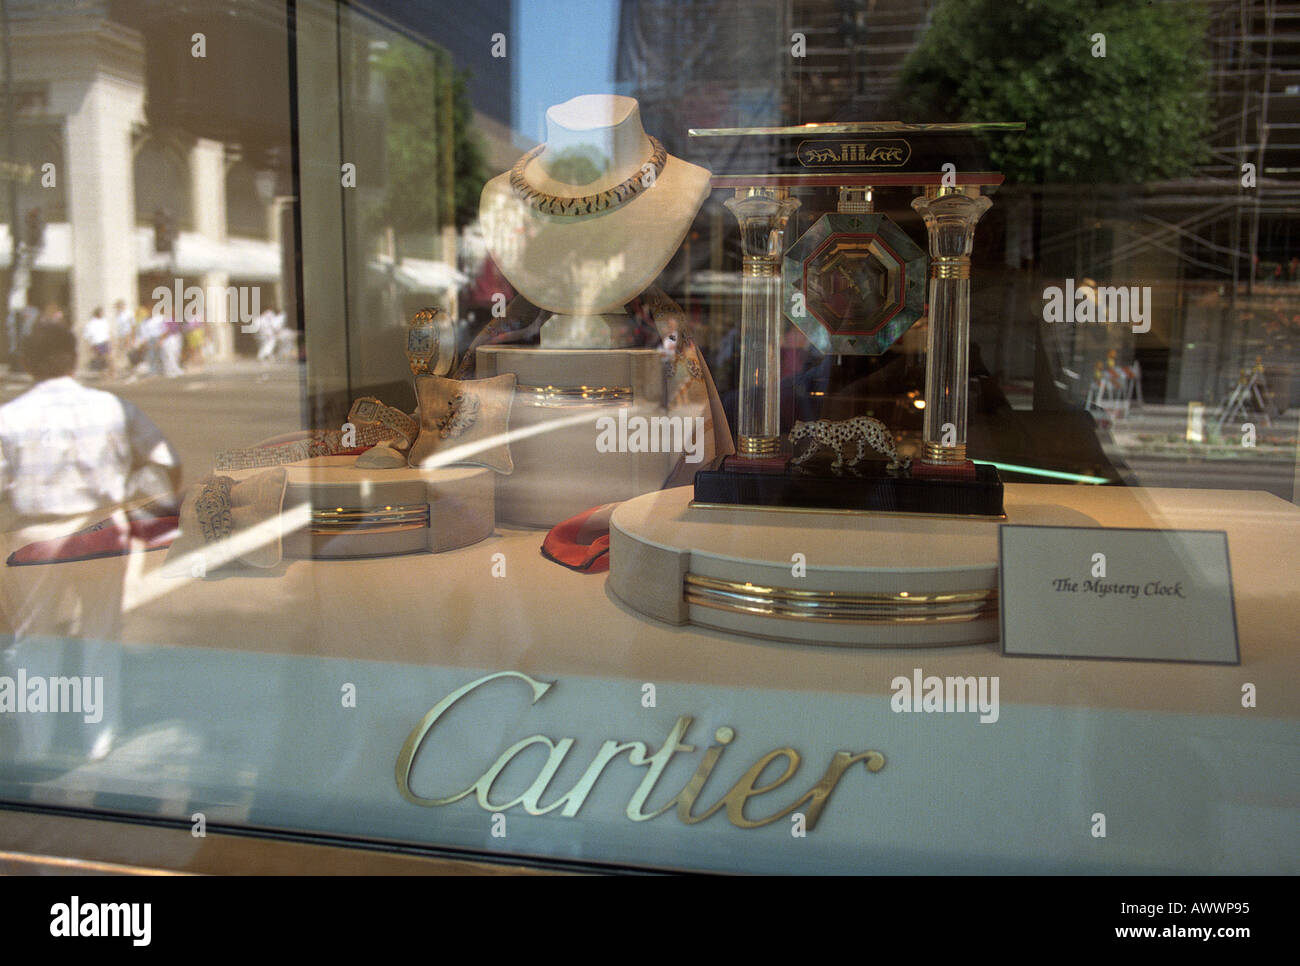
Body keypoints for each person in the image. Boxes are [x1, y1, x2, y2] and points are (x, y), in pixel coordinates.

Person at [0, 323, 182, 763]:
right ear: (75, 358)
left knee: (33, 639)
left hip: (34, 534)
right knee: (101, 633)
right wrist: (149, 526)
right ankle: (98, 739)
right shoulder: (112, 406)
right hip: (103, 530)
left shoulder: (8, 416)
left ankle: (36, 745)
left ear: (26, 364)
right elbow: (166, 463)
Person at [83, 306, 111, 374]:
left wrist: (109, 340)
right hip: (97, 342)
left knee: (106, 357)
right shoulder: (91, 323)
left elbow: (107, 331)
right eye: (100, 313)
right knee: (101, 357)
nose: (102, 314)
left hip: (104, 341)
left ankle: (106, 371)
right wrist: (89, 344)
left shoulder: (104, 321)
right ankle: (102, 371)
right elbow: (87, 334)